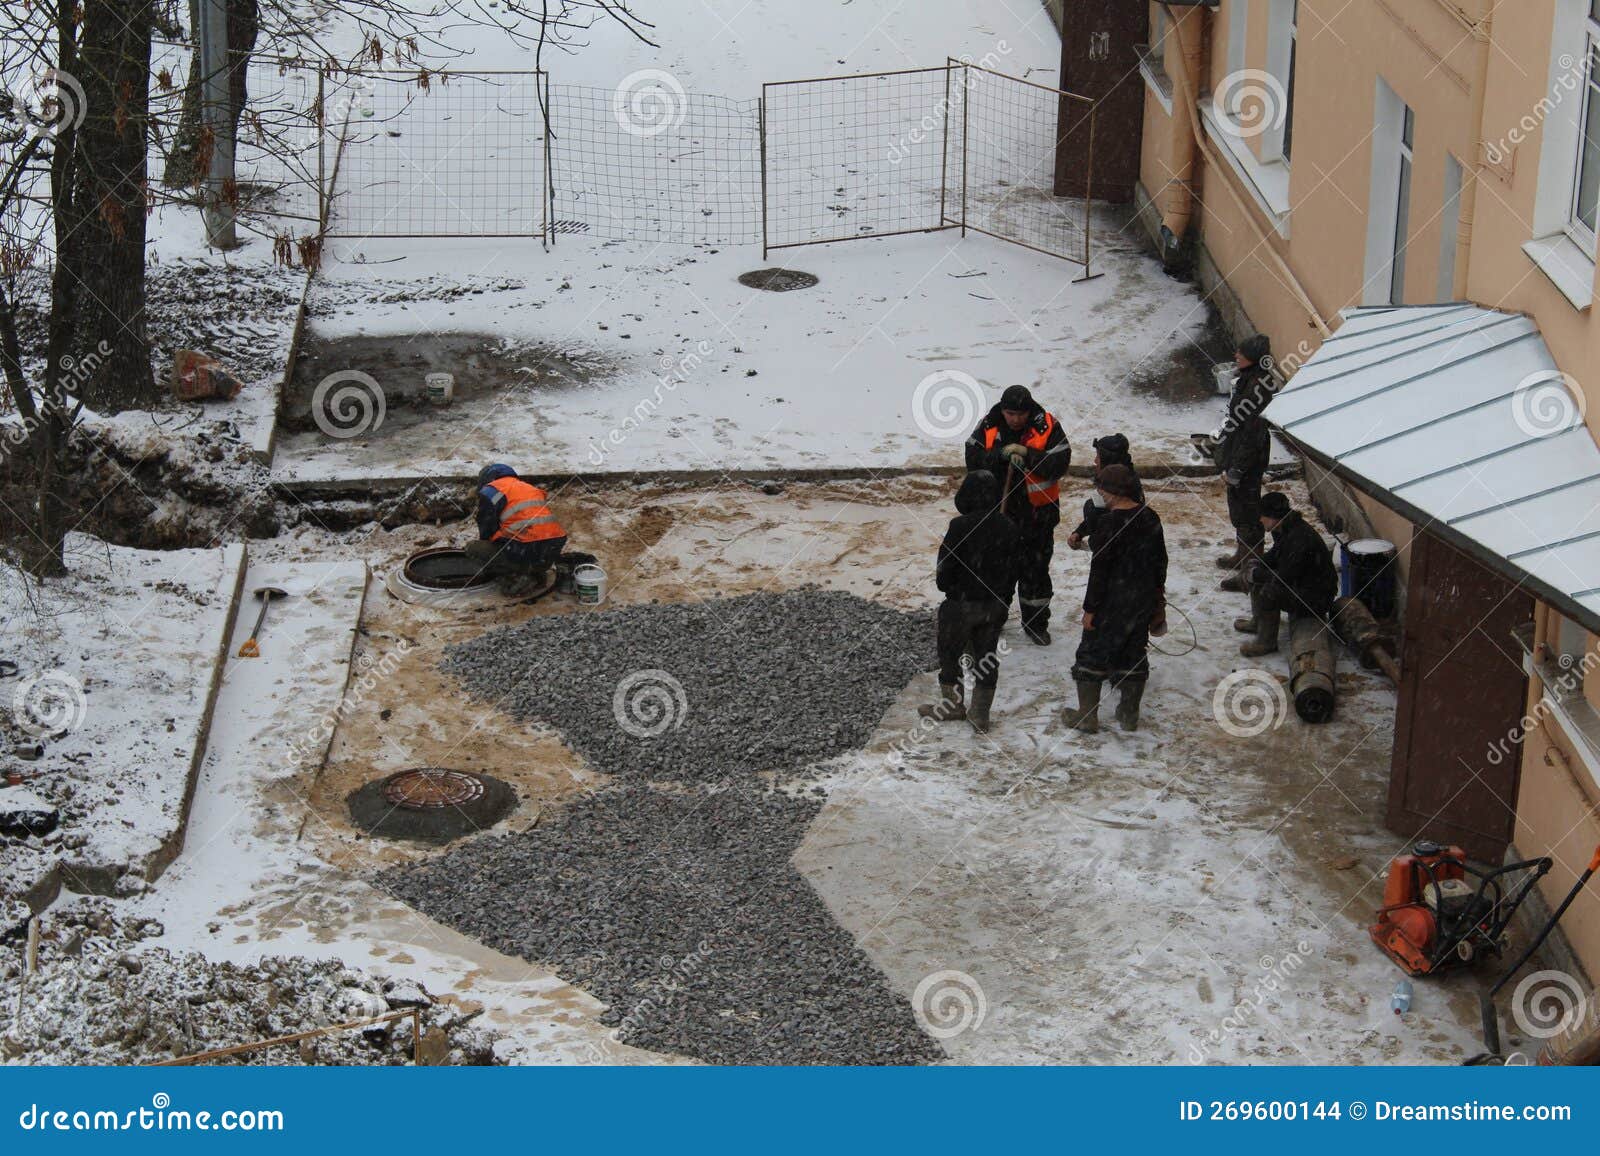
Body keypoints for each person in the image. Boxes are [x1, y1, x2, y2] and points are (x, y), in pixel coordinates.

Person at [1062, 465, 1167, 734]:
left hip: (1112, 602)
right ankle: (1129, 714)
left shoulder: (1109, 524)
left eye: (1101, 489)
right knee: (1133, 652)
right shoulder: (1150, 517)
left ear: (1110, 491)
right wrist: (1157, 597)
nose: (1099, 494)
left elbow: (1100, 571)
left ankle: (1087, 716)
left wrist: (1090, 609)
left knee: (1091, 655)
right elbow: (1160, 562)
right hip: (1141, 600)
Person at [964, 384, 1071, 645]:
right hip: (998, 517)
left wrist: (1029, 455)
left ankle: (1035, 624)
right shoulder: (989, 424)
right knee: (996, 573)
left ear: (1028, 411)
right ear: (1003, 410)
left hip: (1037, 518)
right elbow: (972, 457)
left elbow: (1059, 463)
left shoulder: (1046, 426)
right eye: (1010, 413)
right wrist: (999, 457)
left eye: (1019, 414)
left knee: (1035, 574)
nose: (1015, 419)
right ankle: (993, 620)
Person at [918, 470, 1021, 733]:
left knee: (950, 655)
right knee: (986, 657)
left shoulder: (960, 526)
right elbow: (1015, 569)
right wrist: (1003, 599)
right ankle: (980, 714)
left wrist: (951, 589)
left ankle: (952, 705)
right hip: (993, 606)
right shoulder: (1009, 527)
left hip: (961, 605)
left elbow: (945, 567)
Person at [1234, 491, 1337, 656]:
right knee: (1257, 571)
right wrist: (1256, 563)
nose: (1260, 519)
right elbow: (1276, 554)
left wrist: (1256, 574)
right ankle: (1258, 622)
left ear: (1274, 516)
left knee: (1269, 590)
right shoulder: (1283, 527)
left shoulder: (1300, 538)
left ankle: (1266, 643)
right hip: (1301, 584)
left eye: (1263, 515)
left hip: (1317, 597)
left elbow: (1285, 576)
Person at [1215, 334, 1277, 593]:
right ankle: (1243, 554)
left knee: (1249, 512)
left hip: (1248, 460)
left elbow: (1252, 435)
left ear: (1251, 356)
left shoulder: (1259, 387)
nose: (1235, 356)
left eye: (1240, 353)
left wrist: (1238, 467)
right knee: (1238, 508)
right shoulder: (1249, 380)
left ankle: (1250, 569)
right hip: (1238, 452)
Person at [465, 464, 568, 590]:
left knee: (474, 548)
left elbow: (486, 526)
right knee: (524, 546)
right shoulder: (528, 487)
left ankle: (517, 578)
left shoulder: (491, 491)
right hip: (552, 547)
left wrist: (488, 562)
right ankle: (536, 572)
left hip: (524, 547)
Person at [1067, 433, 1135, 551]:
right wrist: (1079, 532)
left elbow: (1110, 521)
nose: (1095, 461)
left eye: (1098, 456)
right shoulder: (1114, 480)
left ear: (1107, 459)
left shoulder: (1124, 488)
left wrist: (1096, 544)